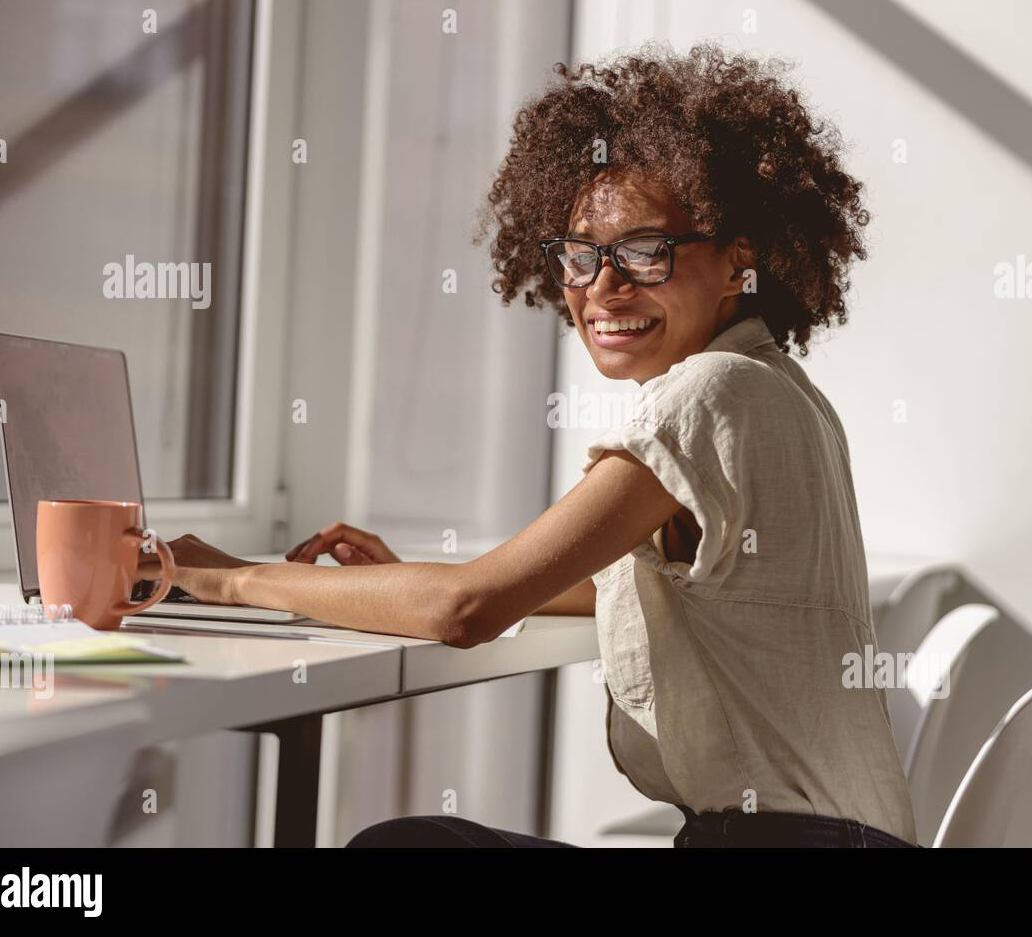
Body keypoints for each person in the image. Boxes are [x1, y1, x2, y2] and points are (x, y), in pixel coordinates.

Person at [147, 43, 919, 849]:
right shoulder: (782, 391)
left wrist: (227, 577)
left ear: (739, 263)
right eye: (581, 257)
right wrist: (399, 582)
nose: (603, 289)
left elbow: (467, 611)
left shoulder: (708, 393)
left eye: (647, 252)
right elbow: (614, 590)